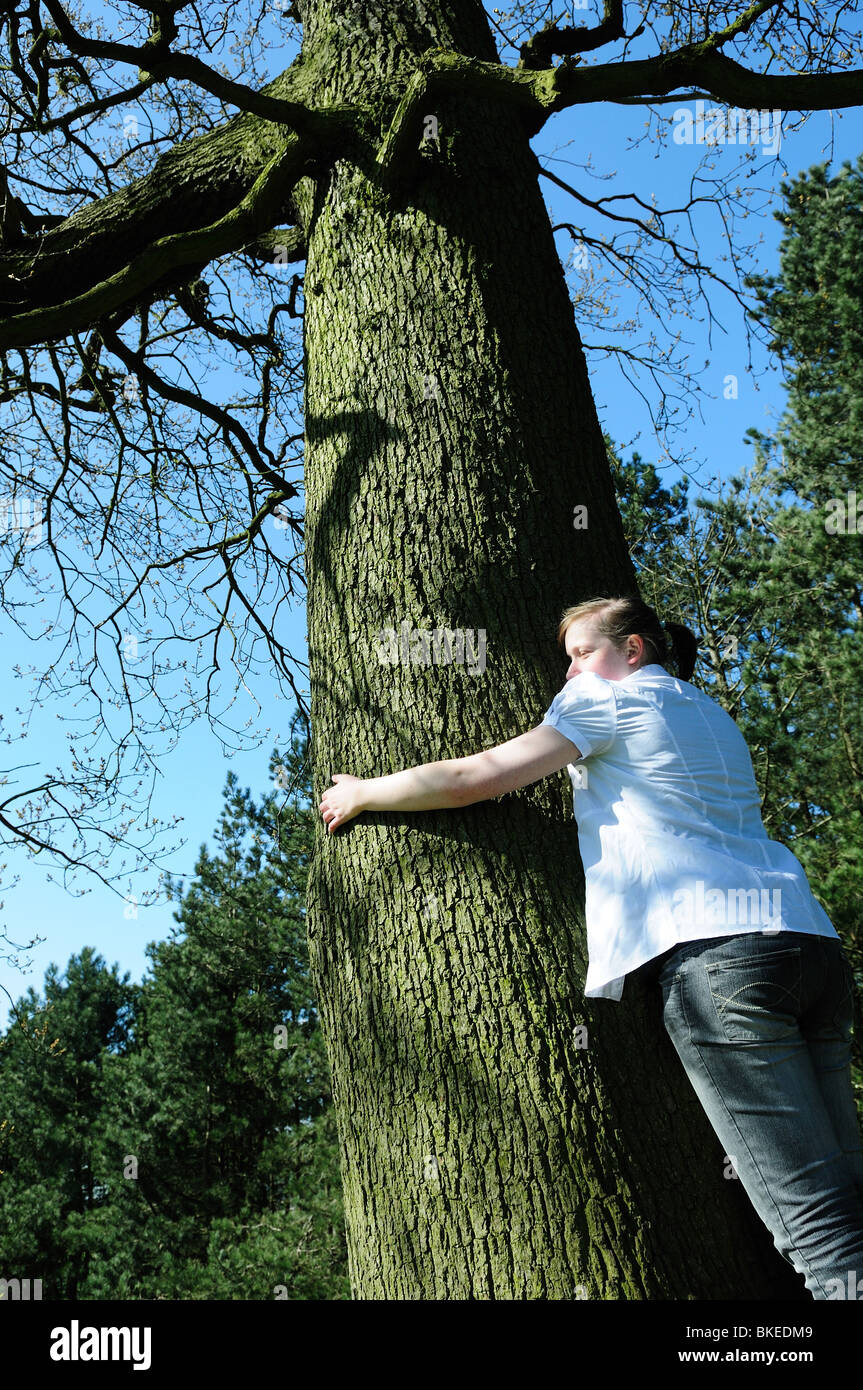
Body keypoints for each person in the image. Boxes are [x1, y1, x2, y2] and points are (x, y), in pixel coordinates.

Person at [317, 592, 863, 1300]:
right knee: (846, 1193)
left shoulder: (608, 702)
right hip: (807, 946)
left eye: (580, 654)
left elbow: (472, 779)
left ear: (631, 650)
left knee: (814, 1226)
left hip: (718, 961)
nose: (570, 673)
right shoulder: (708, 712)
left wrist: (366, 791)